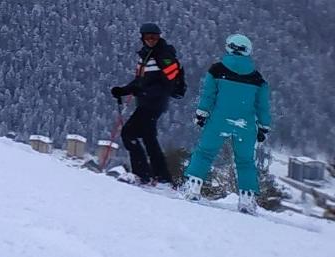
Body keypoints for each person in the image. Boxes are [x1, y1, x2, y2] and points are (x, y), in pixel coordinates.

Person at [181, 33, 274, 213]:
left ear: (229, 47)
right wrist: (263, 127)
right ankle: (247, 200)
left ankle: (193, 188)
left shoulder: (217, 70)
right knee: (245, 161)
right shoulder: (257, 78)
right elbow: (262, 107)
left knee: (205, 153)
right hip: (245, 125)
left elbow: (209, 95)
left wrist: (201, 114)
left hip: (218, 120)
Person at [109, 21, 183, 185]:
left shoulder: (163, 55)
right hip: (146, 102)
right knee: (150, 139)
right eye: (148, 37)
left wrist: (143, 92)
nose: (152, 40)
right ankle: (162, 178)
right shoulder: (145, 56)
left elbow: (167, 84)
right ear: (142, 38)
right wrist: (123, 90)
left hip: (154, 103)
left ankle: (142, 175)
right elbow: (139, 82)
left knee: (129, 133)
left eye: (155, 37)